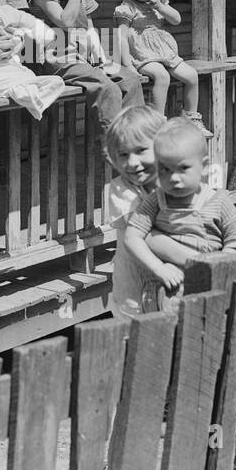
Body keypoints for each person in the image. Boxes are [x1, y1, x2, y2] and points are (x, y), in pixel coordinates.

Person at [123, 117, 236, 313]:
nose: (173, 178)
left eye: (183, 168)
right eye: (165, 169)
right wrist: (159, 268)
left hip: (210, 287)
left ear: (204, 165)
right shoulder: (156, 200)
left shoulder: (218, 201)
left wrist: (217, 271)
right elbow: (132, 237)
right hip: (165, 287)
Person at [29, 0, 143, 131]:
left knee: (130, 79)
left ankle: (134, 134)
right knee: (106, 87)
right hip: (57, 60)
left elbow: (89, 27)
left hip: (85, 60)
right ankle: (112, 139)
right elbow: (66, 21)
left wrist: (100, 57)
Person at [113, 0, 204, 128]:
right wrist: (128, 65)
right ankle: (156, 122)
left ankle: (192, 119)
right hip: (140, 53)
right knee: (162, 76)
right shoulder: (127, 8)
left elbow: (176, 20)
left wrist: (160, 6)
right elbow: (121, 38)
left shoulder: (160, 2)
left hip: (163, 52)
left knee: (191, 75)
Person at [99, 105, 165, 319]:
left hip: (170, 286)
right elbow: (143, 236)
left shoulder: (174, 183)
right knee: (136, 341)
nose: (133, 163)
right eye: (123, 155)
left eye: (141, 150)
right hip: (134, 289)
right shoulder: (121, 189)